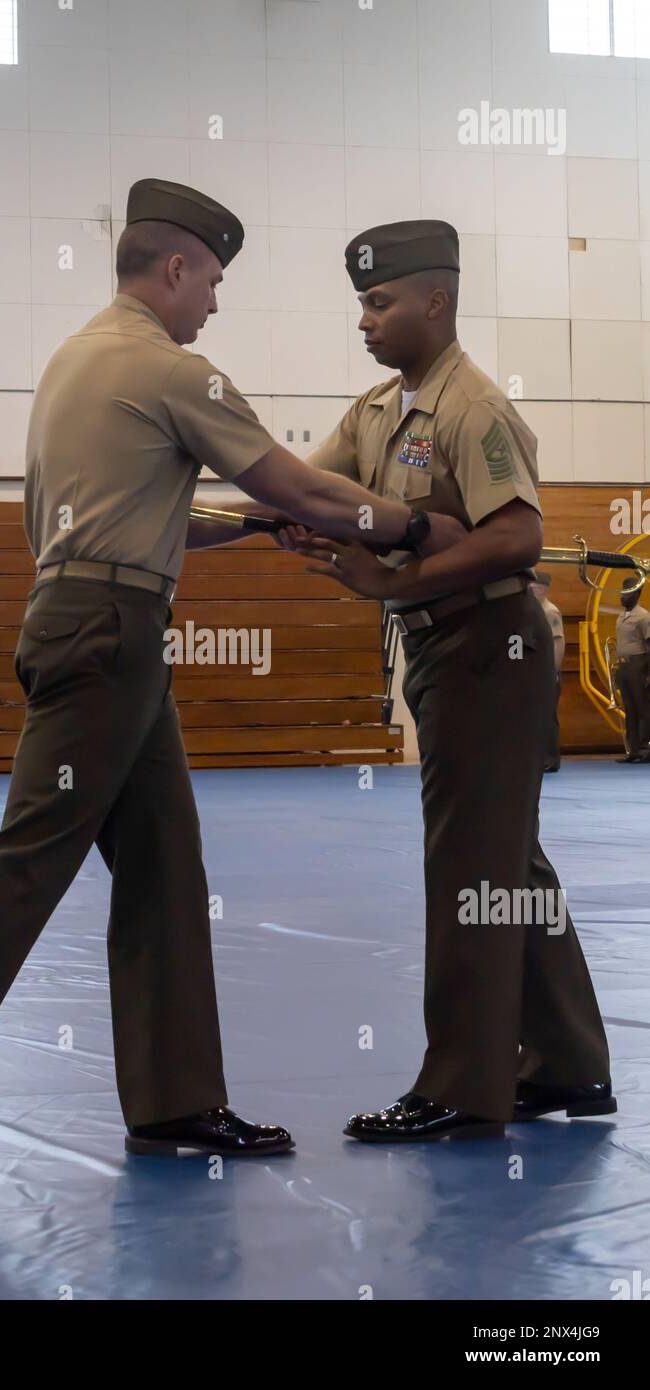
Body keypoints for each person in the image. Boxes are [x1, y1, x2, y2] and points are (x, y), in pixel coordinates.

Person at [0, 183, 463, 1179]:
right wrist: (411, 526)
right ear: (175, 270)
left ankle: (175, 1103)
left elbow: (122, 513)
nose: (212, 306)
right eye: (209, 284)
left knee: (164, 866)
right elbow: (290, 481)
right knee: (29, 857)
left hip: (85, 618)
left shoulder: (74, 361)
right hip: (111, 633)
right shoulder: (172, 370)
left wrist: (240, 530)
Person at [281, 219, 614, 1141]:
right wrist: (246, 512)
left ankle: (463, 1090)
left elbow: (515, 534)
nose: (365, 320)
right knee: (508, 866)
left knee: (471, 870)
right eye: (361, 304)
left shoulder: (474, 409)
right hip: (442, 651)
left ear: (437, 300)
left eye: (380, 302)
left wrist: (394, 578)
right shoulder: (381, 411)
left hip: (487, 650)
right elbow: (308, 489)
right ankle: (573, 1068)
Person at [529, 572, 564, 772]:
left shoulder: (550, 612)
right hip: (537, 672)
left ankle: (550, 759)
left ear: (543, 588)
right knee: (539, 716)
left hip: (548, 672)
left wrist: (553, 670)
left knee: (548, 717)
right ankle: (541, 757)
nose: (530, 589)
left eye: (534, 586)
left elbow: (558, 643)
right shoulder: (535, 611)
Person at [613, 578, 650, 763]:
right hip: (624, 666)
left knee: (643, 709)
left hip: (639, 664)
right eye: (622, 592)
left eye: (628, 593)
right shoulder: (622, 616)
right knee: (630, 709)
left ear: (637, 594)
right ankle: (633, 750)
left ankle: (645, 751)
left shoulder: (643, 616)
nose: (623, 596)